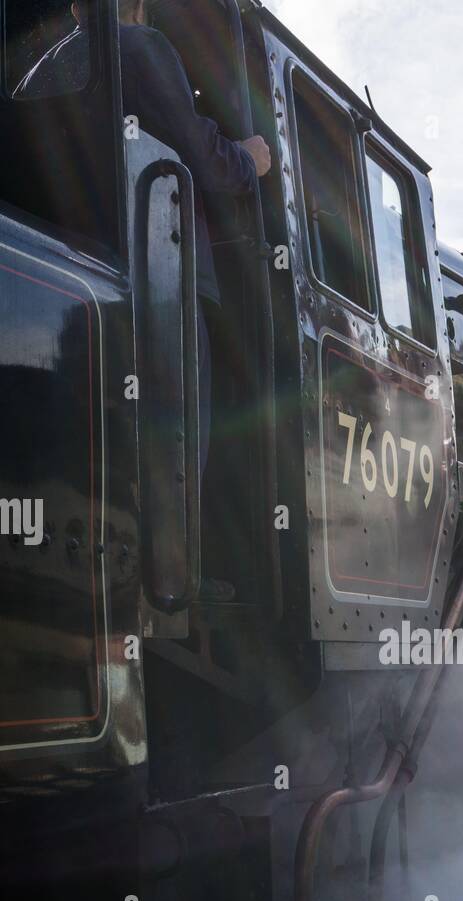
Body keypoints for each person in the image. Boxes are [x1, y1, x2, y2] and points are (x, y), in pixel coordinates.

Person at [17, 0, 272, 600]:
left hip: (81, 271)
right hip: (154, 268)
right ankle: (177, 567)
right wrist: (250, 159)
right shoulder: (141, 48)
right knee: (180, 423)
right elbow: (200, 155)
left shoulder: (39, 73)